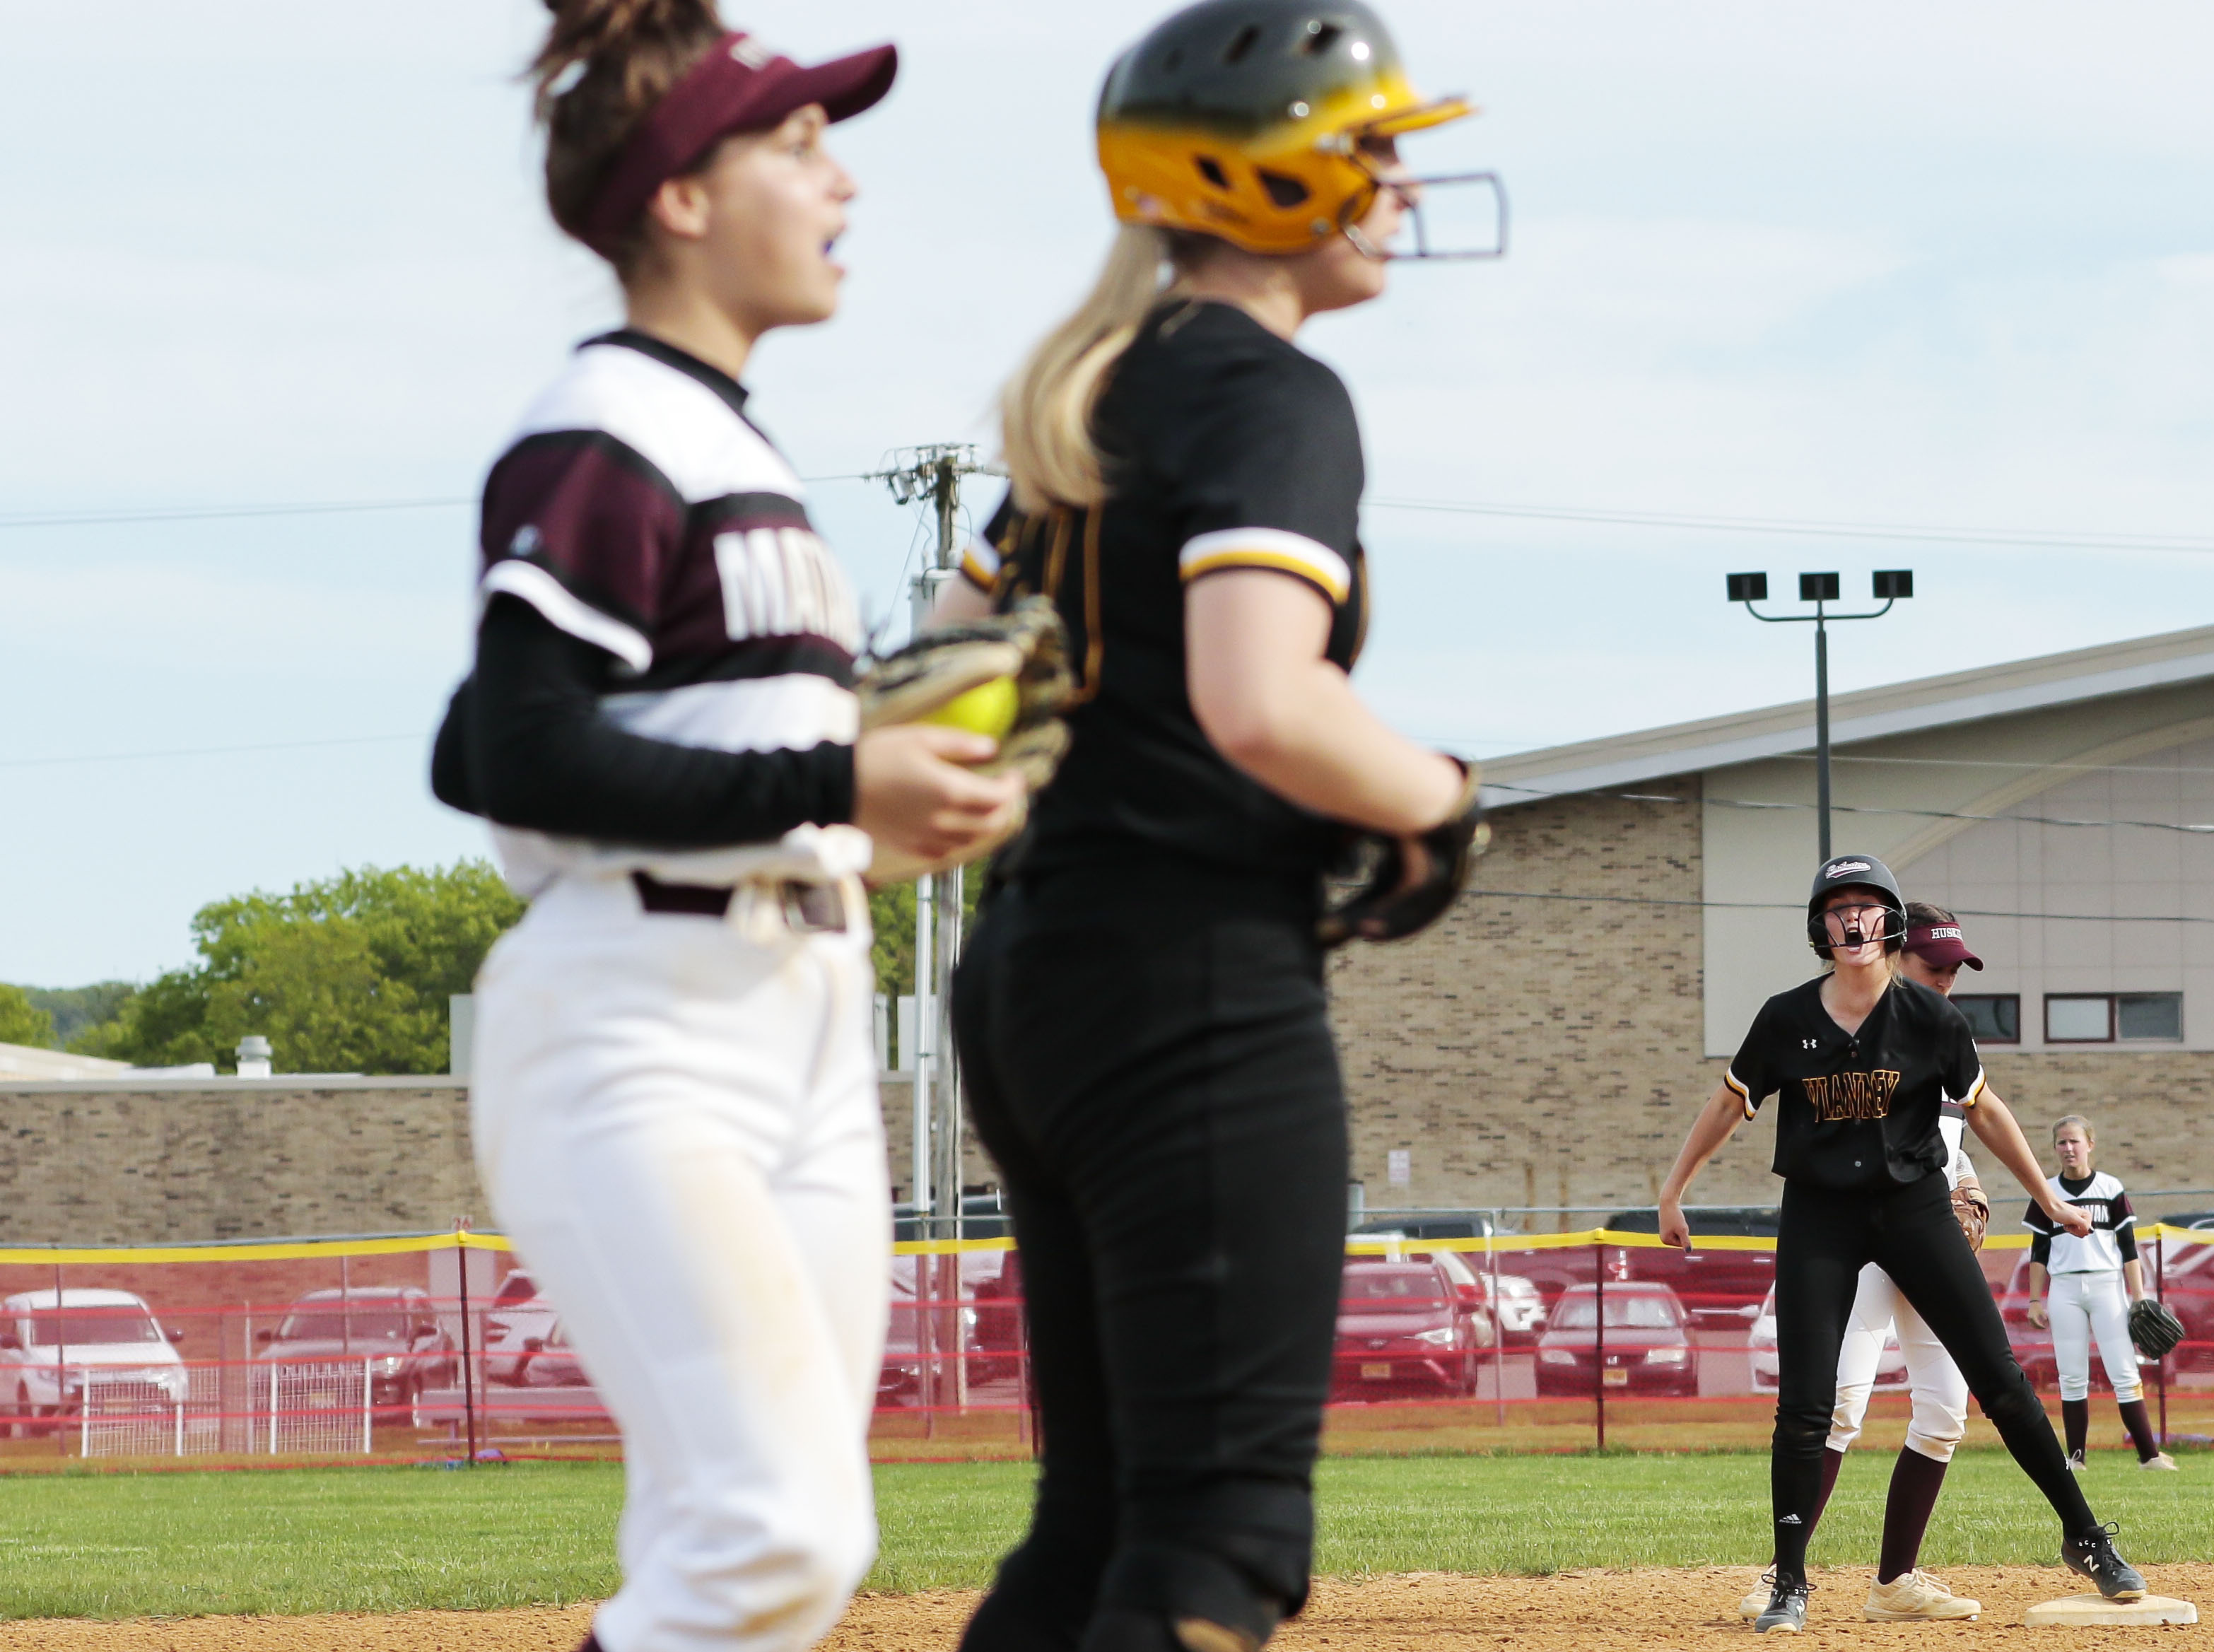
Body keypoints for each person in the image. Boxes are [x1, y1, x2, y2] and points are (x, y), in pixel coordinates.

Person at [429, 6, 1021, 1649]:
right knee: (775, 1532)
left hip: (800, 1028)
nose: (840, 181)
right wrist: (835, 786)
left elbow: (714, 758)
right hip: (642, 1027)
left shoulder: (732, 449)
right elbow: (504, 745)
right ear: (680, 196)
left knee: (764, 1555)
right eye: (797, 142)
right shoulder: (604, 429)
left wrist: (884, 814)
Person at [929, 4, 1495, 1648]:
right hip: (1185, 975)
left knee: (1094, 1517)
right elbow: (1265, 699)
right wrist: (1436, 799)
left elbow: (943, 680)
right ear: (1260, 179)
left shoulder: (1080, 401)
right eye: (1366, 147)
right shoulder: (1266, 391)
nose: (1391, 184)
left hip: (1032, 967)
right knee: (1215, 1540)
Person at [1658, 855, 2148, 1633]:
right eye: (1836, 908)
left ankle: (2085, 1537)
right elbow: (1730, 1103)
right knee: (1807, 1408)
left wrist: (2046, 1195)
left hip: (1914, 1209)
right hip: (1821, 1216)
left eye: (1865, 906)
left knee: (1999, 1381)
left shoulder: (1930, 1019)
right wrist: (1673, 1186)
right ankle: (1788, 1581)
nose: (1851, 920)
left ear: (1888, 923)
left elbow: (1984, 1111)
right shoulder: (1785, 1017)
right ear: (1819, 928)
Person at [1735, 900, 1992, 1624]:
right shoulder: (1840, 1032)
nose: (1945, 981)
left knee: (1943, 1415)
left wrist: (1968, 1188)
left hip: (1930, 1243)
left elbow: (1950, 1144)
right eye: (1933, 967)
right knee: (1837, 1407)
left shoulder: (1939, 1034)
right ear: (1892, 954)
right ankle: (1779, 1576)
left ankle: (1894, 1584)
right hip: (1865, 1247)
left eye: (1953, 971)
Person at [2027, 1115, 2176, 1470]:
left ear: (2090, 1144)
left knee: (2124, 1371)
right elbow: (2039, 1251)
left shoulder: (2110, 1187)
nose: (2068, 1149)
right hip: (2064, 1287)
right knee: (2072, 1375)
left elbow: (2128, 1248)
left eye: (2075, 1141)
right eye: (2061, 1143)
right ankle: (2076, 1459)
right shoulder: (2047, 1191)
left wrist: (2139, 1296)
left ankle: (2149, 1456)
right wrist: (2035, 1299)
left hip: (2107, 1284)